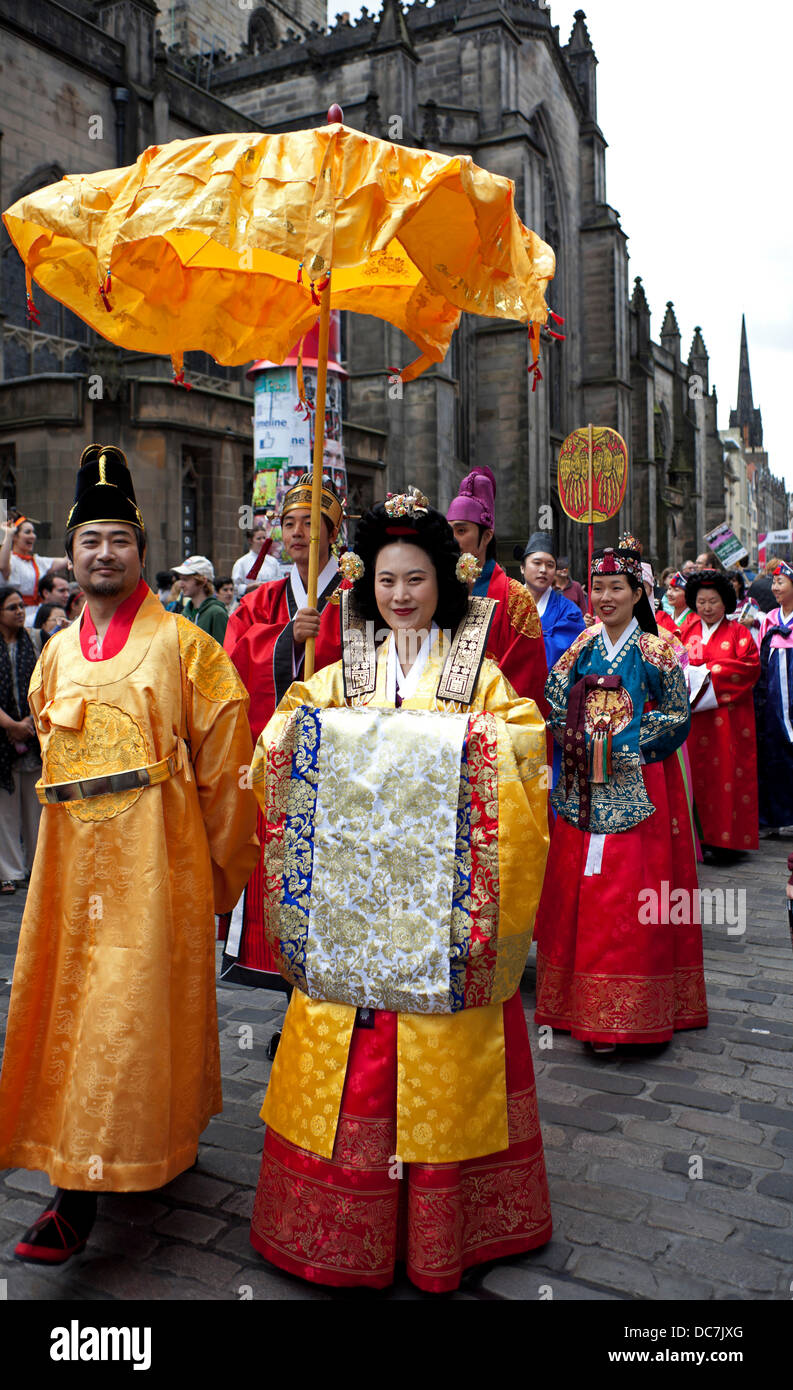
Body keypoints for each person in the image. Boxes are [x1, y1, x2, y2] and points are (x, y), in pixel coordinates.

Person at [248, 489, 552, 1291]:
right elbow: (279, 739)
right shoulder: (343, 670)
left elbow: (525, 745)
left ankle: (448, 1228)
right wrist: (305, 736)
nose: (400, 595)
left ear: (442, 582)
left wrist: (456, 746)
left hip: (441, 905)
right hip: (348, 907)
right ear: (367, 586)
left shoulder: (475, 672)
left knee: (438, 1052)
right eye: (386, 580)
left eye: (415, 578)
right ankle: (336, 1227)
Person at [0, 443, 259, 1264]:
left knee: (129, 1017)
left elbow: (231, 771)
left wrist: (216, 879)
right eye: (90, 540)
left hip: (158, 875)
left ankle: (81, 1194)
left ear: (142, 551)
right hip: (68, 877)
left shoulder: (187, 646)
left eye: (119, 539)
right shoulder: (54, 653)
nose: (104, 553)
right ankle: (97, 1160)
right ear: (70, 557)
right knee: (73, 1015)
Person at [533, 543, 707, 1050]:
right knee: (578, 889)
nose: (606, 597)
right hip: (584, 784)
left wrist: (621, 741)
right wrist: (576, 731)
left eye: (617, 588)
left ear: (637, 594)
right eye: (599, 588)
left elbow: (677, 714)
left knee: (629, 891)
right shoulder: (583, 644)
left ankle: (625, 1012)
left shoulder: (655, 650)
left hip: (638, 784)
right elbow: (554, 692)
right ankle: (574, 1004)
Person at [222, 474, 343, 991]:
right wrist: (286, 640)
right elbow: (231, 661)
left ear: (332, 532)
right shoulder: (263, 601)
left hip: (336, 761)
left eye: (310, 523)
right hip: (276, 761)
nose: (297, 533)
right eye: (289, 523)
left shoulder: (358, 597)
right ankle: (282, 986)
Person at [446, 466, 548, 712]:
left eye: (461, 530)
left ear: (486, 535)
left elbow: (526, 683)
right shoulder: (435, 592)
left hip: (492, 722)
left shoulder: (516, 599)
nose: (452, 540)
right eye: (449, 531)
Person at [680, 569, 760, 856]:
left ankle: (728, 842)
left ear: (725, 602)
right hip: (693, 720)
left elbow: (749, 668)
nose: (707, 607)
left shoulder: (739, 633)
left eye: (713, 601)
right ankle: (696, 840)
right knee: (695, 775)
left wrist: (705, 674)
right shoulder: (685, 631)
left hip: (728, 719)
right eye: (701, 601)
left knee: (727, 774)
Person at [516, 531, 585, 783]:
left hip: (549, 708)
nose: (543, 570)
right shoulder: (506, 605)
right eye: (537, 563)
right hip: (511, 703)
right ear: (522, 567)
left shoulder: (569, 611)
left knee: (548, 779)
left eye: (550, 564)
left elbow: (566, 655)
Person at [0, 586, 42, 895]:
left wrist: (28, 721)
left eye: (21, 606)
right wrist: (11, 725)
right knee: (5, 810)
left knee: (36, 806)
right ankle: (10, 872)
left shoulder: (33, 640)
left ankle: (38, 867)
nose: (19, 611)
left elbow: (45, 684)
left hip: (32, 733)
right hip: (3, 740)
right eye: (12, 607)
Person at [755, 561, 793, 832]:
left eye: (781, 582)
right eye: (774, 582)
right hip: (770, 697)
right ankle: (773, 817)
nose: (775, 588)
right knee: (771, 751)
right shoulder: (769, 618)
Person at [0, 514, 66, 626]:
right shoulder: (10, 560)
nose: (33, 536)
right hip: (13, 616)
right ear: (15, 537)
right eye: (28, 532)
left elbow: (66, 561)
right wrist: (9, 534)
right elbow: (2, 565)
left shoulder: (36, 561)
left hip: (35, 614)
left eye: (33, 532)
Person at [171, 556, 229, 644]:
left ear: (202, 581)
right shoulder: (185, 613)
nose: (181, 585)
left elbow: (223, 650)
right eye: (180, 579)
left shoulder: (217, 613)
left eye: (185, 580)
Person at [231, 515, 280, 602]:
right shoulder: (242, 562)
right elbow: (235, 588)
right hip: (250, 601)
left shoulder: (273, 561)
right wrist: (252, 586)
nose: (262, 541)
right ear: (251, 540)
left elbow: (279, 582)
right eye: (259, 538)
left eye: (264, 538)